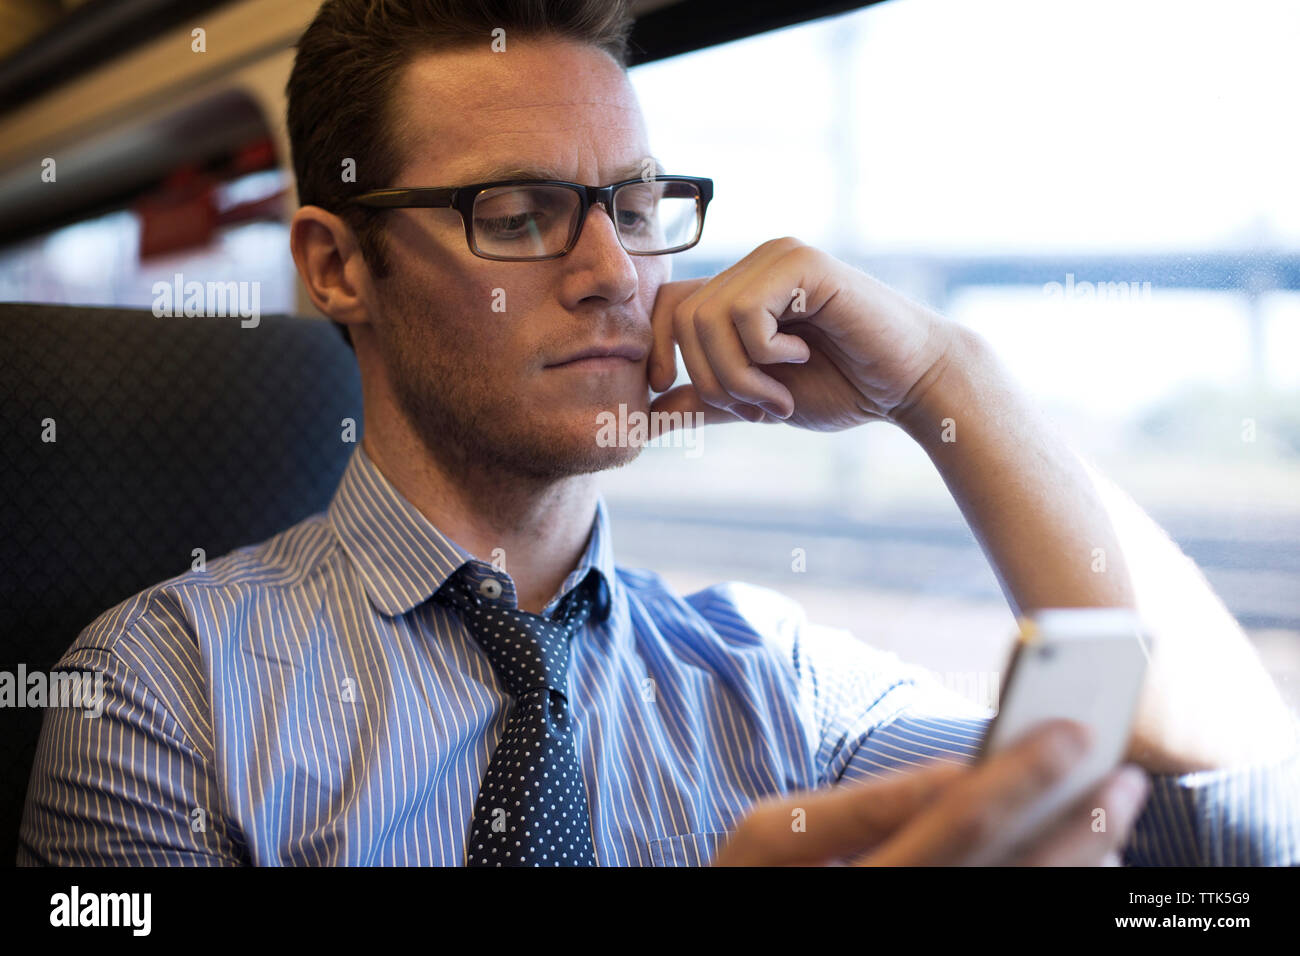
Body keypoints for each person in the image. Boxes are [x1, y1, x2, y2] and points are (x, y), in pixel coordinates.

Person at [19, 0, 1299, 866]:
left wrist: (946, 387)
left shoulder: (771, 679)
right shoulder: (162, 689)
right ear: (338, 266)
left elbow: (1231, 820)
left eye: (632, 204)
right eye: (518, 213)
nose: (615, 274)